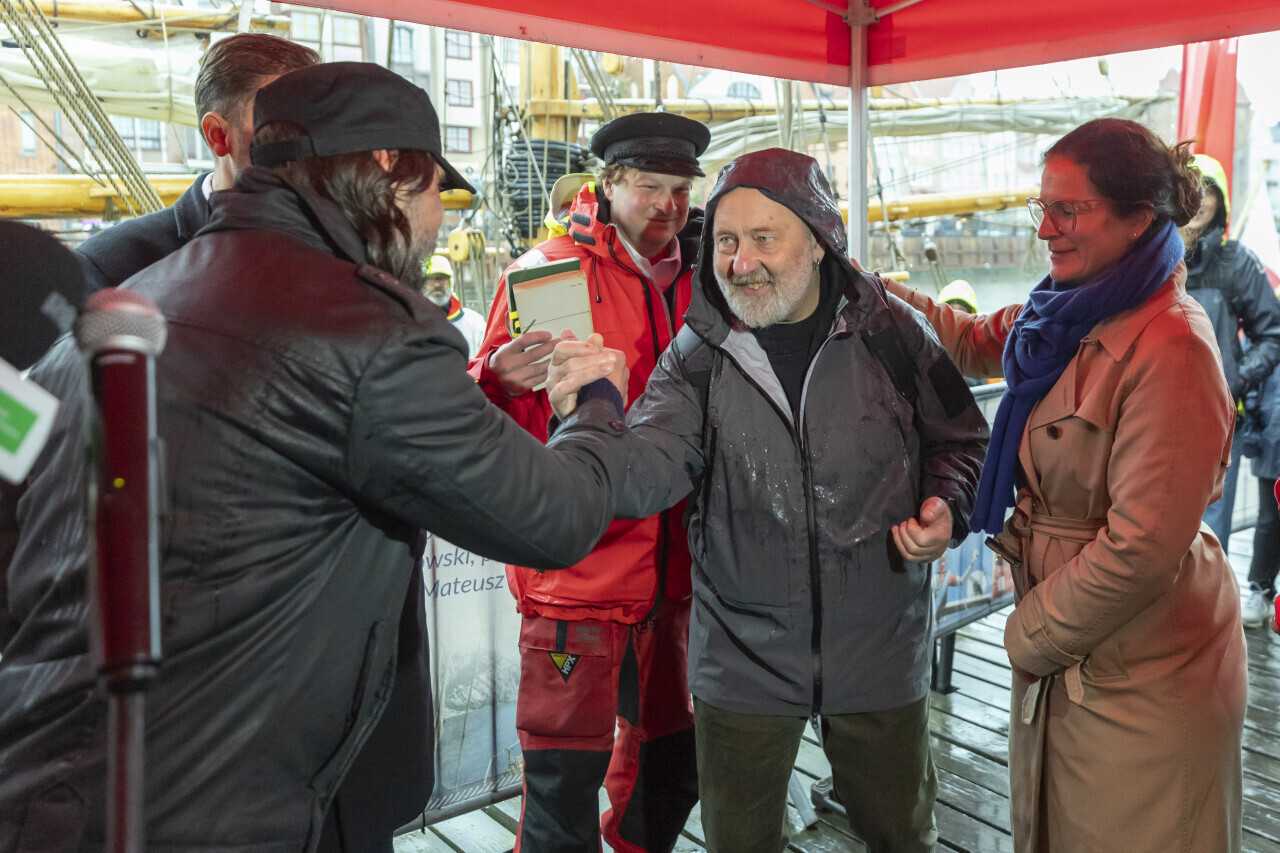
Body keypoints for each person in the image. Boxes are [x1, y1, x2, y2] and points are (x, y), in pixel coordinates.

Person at [0, 62, 636, 853]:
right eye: (437, 189)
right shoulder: (368, 330)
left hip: (55, 781)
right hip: (208, 805)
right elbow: (559, 516)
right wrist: (596, 403)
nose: (441, 216)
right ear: (387, 173)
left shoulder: (143, 298)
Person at [546, 147, 989, 853]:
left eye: (762, 238)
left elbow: (962, 438)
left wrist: (947, 506)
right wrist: (590, 412)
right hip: (743, 663)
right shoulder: (697, 355)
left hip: (879, 649)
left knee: (901, 835)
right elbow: (645, 467)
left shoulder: (892, 331)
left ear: (818, 241)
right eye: (725, 240)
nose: (739, 261)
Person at [883, 118, 1246, 852]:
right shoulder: (1062, 313)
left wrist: (1029, 634)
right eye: (1040, 207)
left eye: (1068, 210)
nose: (1045, 228)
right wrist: (862, 285)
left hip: (1145, 666)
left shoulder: (1173, 347)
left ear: (1137, 217)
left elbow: (1142, 547)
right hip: (1078, 650)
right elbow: (968, 338)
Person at [468, 111, 708, 853]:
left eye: (680, 189)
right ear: (608, 185)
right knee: (560, 792)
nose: (669, 205)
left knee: (671, 773)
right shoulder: (548, 272)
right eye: (650, 187)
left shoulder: (712, 278)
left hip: (681, 577)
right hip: (577, 573)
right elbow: (486, 419)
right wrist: (494, 379)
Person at [75, 33, 320, 292]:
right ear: (218, 135)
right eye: (283, 123)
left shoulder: (342, 243)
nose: (311, 139)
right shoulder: (111, 265)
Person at [1184, 154, 1280, 556]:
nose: (1202, 198)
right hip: (1152, 412)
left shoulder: (1236, 261)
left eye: (1210, 189)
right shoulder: (1152, 260)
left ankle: (1206, 616)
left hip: (1220, 418)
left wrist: (1237, 378)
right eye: (1193, 187)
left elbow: (1272, 335)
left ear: (1221, 200)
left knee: (1211, 534)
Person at [421, 254, 485, 357]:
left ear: (451, 282)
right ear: (422, 284)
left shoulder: (475, 324)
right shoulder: (411, 326)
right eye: (431, 279)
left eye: (442, 278)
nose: (437, 284)